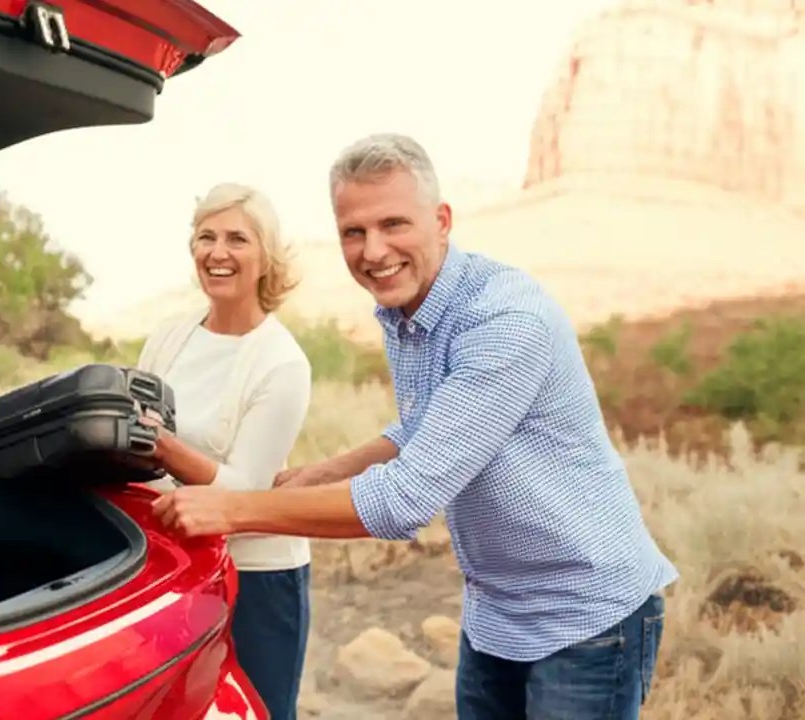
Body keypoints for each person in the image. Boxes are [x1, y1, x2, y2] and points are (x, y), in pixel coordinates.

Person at [148, 135, 679, 720]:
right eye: (354, 232)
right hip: (495, 615)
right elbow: (424, 424)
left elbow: (404, 501)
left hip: (585, 619)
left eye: (393, 224)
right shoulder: (407, 310)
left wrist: (233, 509)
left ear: (442, 220)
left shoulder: (504, 321)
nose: (374, 251)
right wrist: (332, 469)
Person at [134, 182, 313, 720]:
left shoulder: (282, 364)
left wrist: (163, 448)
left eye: (238, 239)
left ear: (265, 257)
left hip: (257, 581)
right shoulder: (170, 334)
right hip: (169, 560)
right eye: (205, 237)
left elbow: (247, 497)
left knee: (251, 711)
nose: (218, 252)